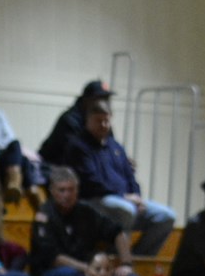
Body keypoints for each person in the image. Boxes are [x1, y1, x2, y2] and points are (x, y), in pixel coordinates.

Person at [67, 97, 176, 261]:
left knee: (166, 216)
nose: (104, 125)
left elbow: (130, 177)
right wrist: (124, 197)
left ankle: (139, 258)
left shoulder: (116, 147)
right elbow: (91, 182)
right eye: (98, 121)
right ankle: (119, 258)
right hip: (93, 201)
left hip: (125, 200)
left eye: (106, 120)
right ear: (88, 121)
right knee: (125, 209)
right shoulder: (78, 146)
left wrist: (137, 197)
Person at [29, 165, 138, 276]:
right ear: (52, 191)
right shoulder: (45, 215)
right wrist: (88, 269)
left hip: (88, 269)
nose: (67, 195)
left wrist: (126, 264)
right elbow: (54, 258)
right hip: (52, 272)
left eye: (71, 190)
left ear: (77, 190)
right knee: (69, 275)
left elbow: (117, 232)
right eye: (62, 190)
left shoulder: (87, 212)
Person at [37, 79, 111, 167]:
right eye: (101, 99)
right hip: (57, 169)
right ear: (87, 100)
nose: (105, 103)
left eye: (107, 99)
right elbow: (80, 153)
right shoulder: (69, 120)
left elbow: (110, 147)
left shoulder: (103, 122)